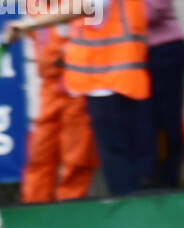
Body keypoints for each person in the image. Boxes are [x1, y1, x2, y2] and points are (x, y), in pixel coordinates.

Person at [4, 0, 153, 197]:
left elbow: (87, 6)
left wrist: (30, 24)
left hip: (107, 82)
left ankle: (120, 216)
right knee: (45, 154)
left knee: (95, 160)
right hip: (91, 81)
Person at [10, 4, 98, 204]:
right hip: (50, 85)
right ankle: (34, 209)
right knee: (40, 152)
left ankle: (70, 210)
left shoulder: (73, 5)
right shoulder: (33, 7)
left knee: (77, 155)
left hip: (77, 80)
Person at [145, 0, 184, 189]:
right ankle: (151, 181)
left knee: (169, 123)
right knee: (146, 124)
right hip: (140, 56)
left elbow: (153, 12)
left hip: (165, 51)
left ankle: (170, 183)